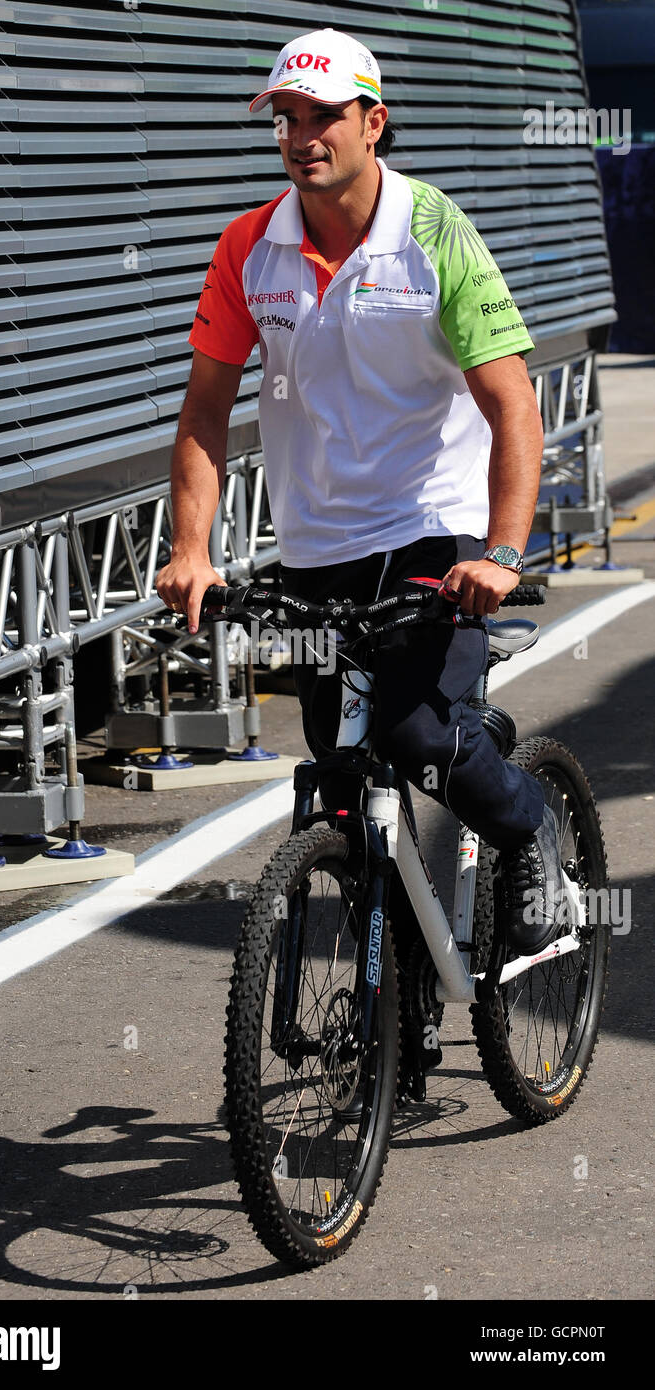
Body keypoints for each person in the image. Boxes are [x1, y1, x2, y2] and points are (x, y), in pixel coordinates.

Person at [156, 28, 564, 954]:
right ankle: (399, 1004)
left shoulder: (433, 233)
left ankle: (531, 833)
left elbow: (514, 408)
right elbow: (204, 414)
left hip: (437, 526)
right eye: (288, 119)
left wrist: (502, 552)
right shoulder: (249, 247)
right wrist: (192, 550)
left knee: (420, 737)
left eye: (326, 116)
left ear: (373, 122)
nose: (305, 136)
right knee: (339, 764)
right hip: (318, 544)